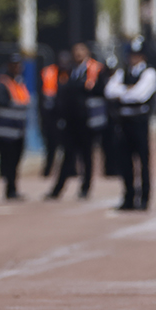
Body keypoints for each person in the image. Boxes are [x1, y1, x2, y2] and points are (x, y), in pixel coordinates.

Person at [106, 38, 156, 211]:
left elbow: (139, 95)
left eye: (137, 55)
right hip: (123, 122)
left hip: (139, 123)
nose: (133, 58)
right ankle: (128, 197)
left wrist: (124, 91)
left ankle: (144, 198)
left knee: (142, 161)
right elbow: (109, 90)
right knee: (125, 162)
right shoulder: (123, 72)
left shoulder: (149, 73)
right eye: (131, 55)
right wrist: (127, 90)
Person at [47, 43, 103, 200]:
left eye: (81, 51)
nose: (77, 54)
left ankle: (85, 187)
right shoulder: (69, 71)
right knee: (67, 155)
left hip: (87, 120)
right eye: (75, 51)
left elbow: (95, 90)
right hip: (71, 120)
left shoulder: (94, 69)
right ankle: (58, 189)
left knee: (86, 155)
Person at [0, 59, 30, 199]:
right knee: (9, 162)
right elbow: (0, 102)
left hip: (18, 131)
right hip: (6, 132)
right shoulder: (3, 83)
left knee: (16, 162)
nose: (17, 67)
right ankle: (10, 190)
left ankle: (13, 188)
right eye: (14, 65)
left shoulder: (19, 82)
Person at [40, 52, 70, 177]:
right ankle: (47, 171)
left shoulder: (71, 73)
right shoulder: (49, 72)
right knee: (51, 146)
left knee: (68, 147)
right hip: (50, 115)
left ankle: (70, 171)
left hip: (67, 114)